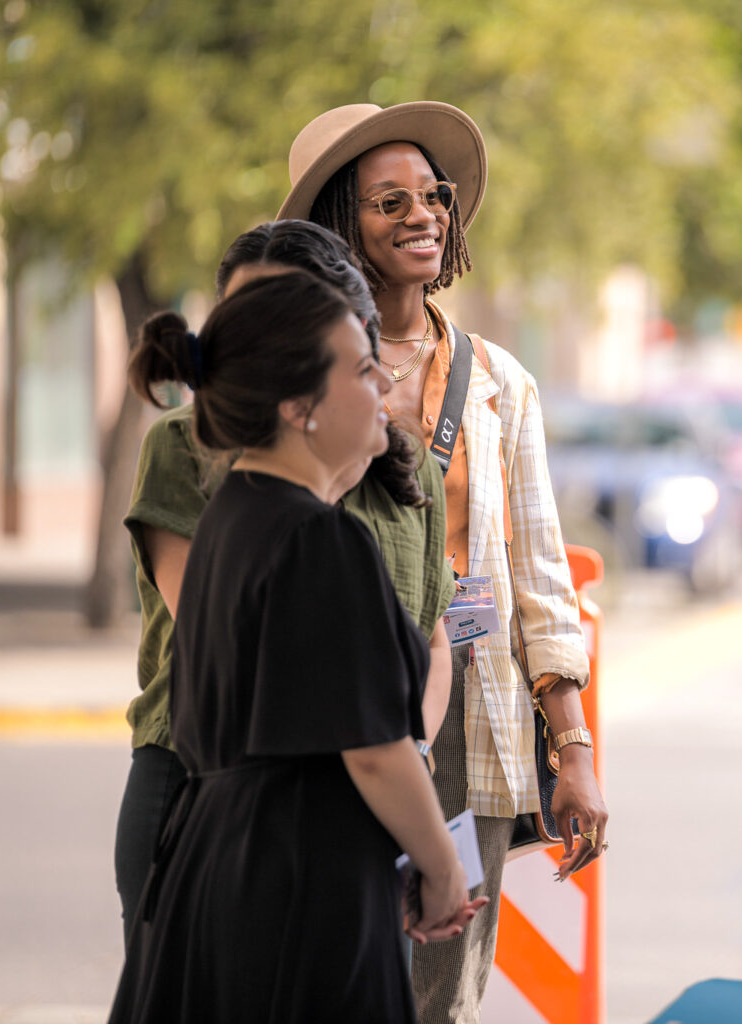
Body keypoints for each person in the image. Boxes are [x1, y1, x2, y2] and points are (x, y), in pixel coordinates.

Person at [279, 101, 607, 1019]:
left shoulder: (501, 380)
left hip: (476, 718)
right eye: (390, 202)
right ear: (342, 224)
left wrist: (574, 748)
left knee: (444, 994)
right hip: (342, 715)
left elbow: (542, 578)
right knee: (333, 982)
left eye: (434, 195)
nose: (422, 215)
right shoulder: (297, 373)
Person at [108, 272, 483, 1023]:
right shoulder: (317, 537)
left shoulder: (233, 518)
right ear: (297, 406)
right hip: (299, 889)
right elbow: (374, 748)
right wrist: (442, 873)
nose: (381, 380)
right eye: (357, 366)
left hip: (224, 871)